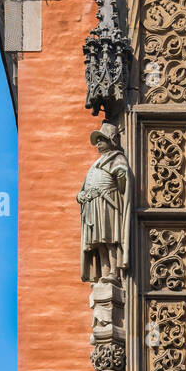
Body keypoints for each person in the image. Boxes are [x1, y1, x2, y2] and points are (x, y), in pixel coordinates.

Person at [77, 121, 132, 283]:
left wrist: (122, 176)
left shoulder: (117, 158)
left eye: (102, 139)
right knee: (99, 242)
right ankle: (105, 272)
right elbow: (85, 185)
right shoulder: (96, 164)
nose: (99, 143)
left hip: (108, 203)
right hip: (93, 204)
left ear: (111, 140)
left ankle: (114, 272)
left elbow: (123, 186)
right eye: (98, 140)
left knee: (109, 239)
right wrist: (81, 196)